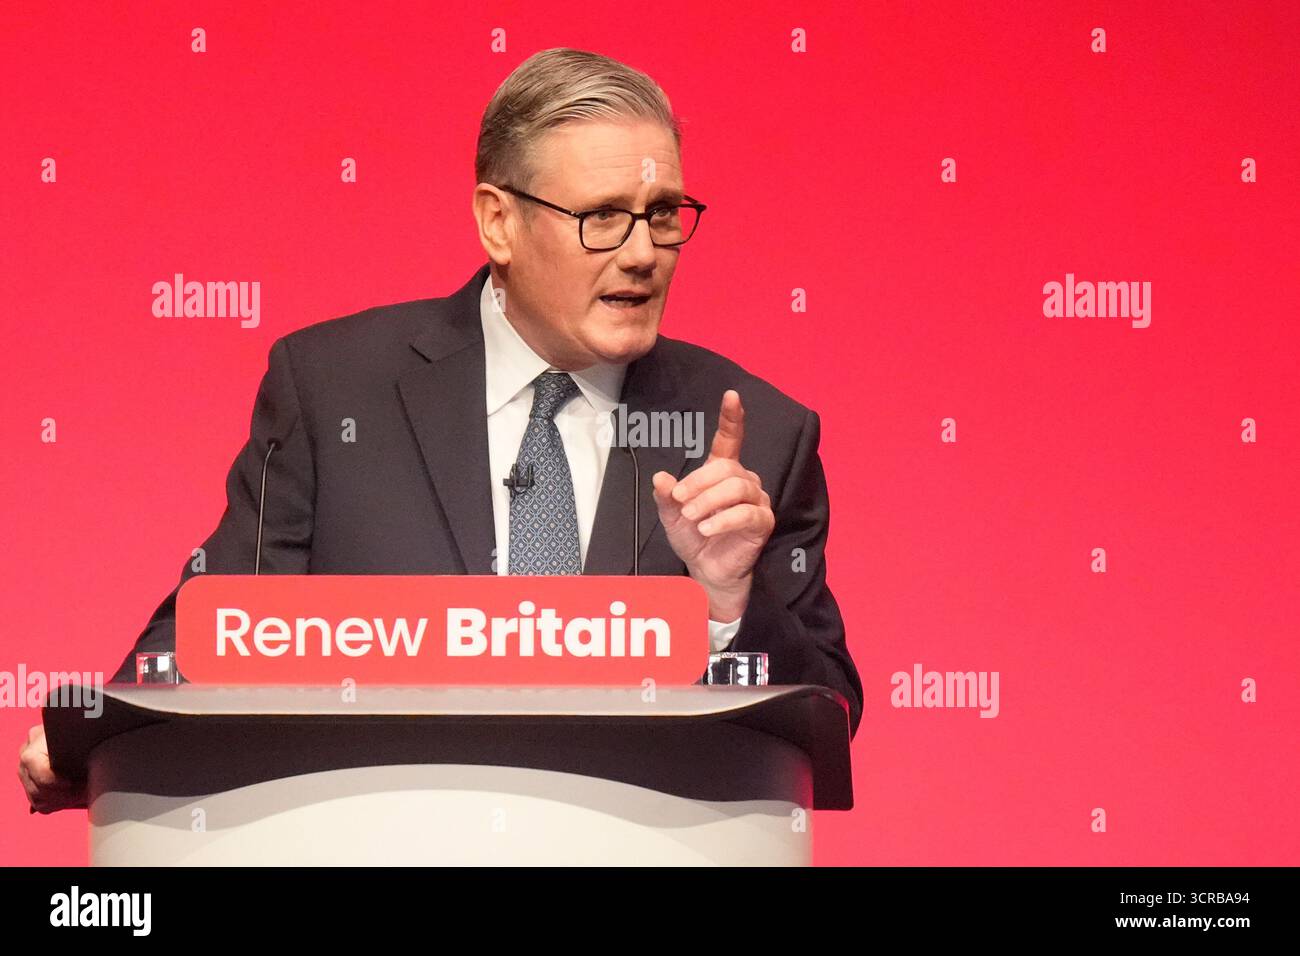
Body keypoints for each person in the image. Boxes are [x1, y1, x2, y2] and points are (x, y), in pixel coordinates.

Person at [19, 48, 863, 814]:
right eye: (602, 216)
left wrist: (729, 603)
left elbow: (826, 719)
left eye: (664, 213)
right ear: (498, 220)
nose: (643, 252)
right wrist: (95, 736)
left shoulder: (757, 437)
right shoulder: (333, 385)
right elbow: (225, 618)